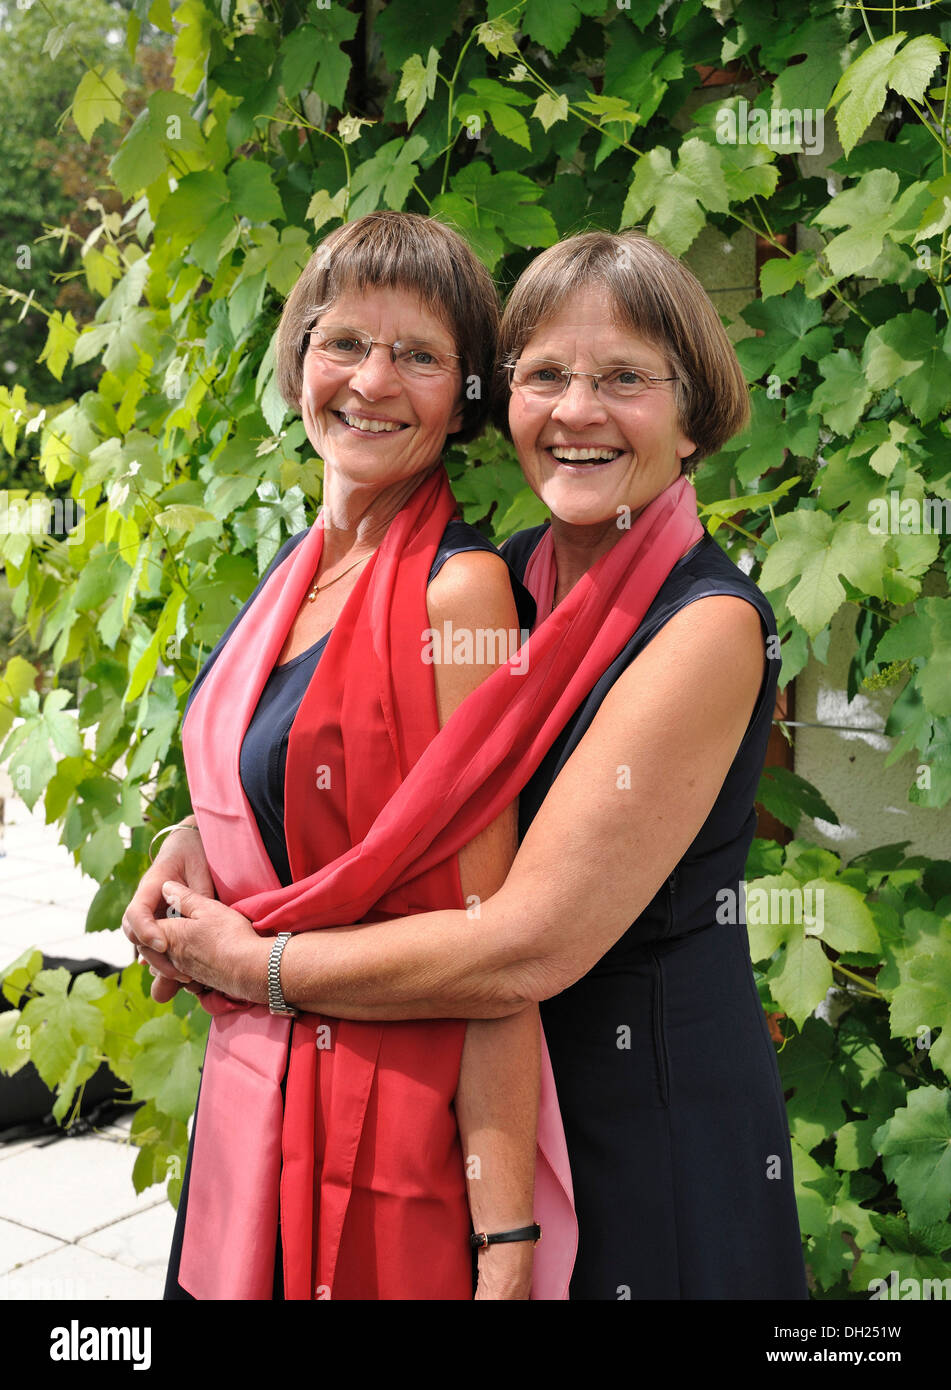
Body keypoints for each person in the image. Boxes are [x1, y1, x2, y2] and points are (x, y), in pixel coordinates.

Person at [130, 229, 808, 1300]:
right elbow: (376, 797)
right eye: (546, 375)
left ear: (692, 419)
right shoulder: (510, 578)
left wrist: (255, 966)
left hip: (635, 1131)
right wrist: (201, 838)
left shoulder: (707, 627)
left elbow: (524, 945)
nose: (578, 410)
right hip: (479, 1111)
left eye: (625, 378)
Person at [125, 209, 560, 1301]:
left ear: (465, 397)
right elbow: (288, 791)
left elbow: (489, 938)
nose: (371, 380)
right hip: (249, 1111)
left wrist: (506, 1237)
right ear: (299, 359)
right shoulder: (297, 569)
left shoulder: (456, 594)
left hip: (385, 1128)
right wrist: (190, 846)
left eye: (419, 355)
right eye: (345, 343)